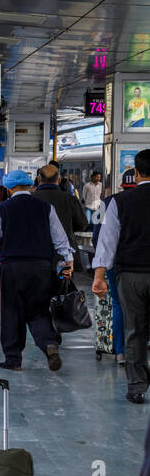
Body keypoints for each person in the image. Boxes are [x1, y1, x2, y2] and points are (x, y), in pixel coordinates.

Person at [0, 169, 74, 371]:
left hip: (12, 267)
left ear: (9, 187)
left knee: (12, 311)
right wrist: (68, 260)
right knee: (39, 311)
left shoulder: (2, 208)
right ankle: (49, 343)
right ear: (30, 185)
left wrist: (6, 239)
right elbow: (60, 238)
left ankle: (13, 359)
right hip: (41, 266)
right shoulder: (45, 207)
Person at [93, 151, 150, 404]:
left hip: (131, 276)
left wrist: (99, 276)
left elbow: (107, 242)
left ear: (136, 173)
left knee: (134, 330)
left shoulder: (119, 201)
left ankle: (137, 386)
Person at [34, 162, 90, 274]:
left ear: (38, 179)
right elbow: (82, 224)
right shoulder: (70, 199)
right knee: (64, 289)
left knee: (38, 289)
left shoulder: (30, 199)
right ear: (59, 180)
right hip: (64, 257)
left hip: (37, 255)